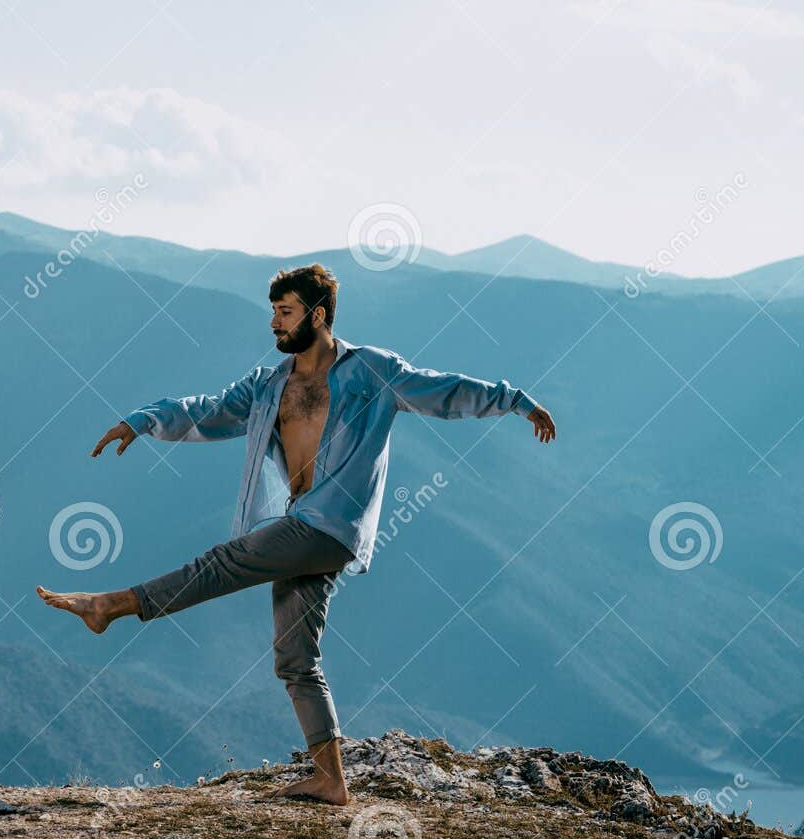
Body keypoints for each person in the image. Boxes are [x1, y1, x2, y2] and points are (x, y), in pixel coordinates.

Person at [37, 263, 555, 804]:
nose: (274, 325)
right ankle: (331, 780)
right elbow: (208, 410)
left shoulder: (371, 372)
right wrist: (144, 420)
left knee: (221, 563)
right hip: (299, 520)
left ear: (318, 315)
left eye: (284, 314)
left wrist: (516, 400)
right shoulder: (269, 385)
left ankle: (112, 605)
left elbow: (444, 391)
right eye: (273, 314)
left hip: (331, 527)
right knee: (295, 658)